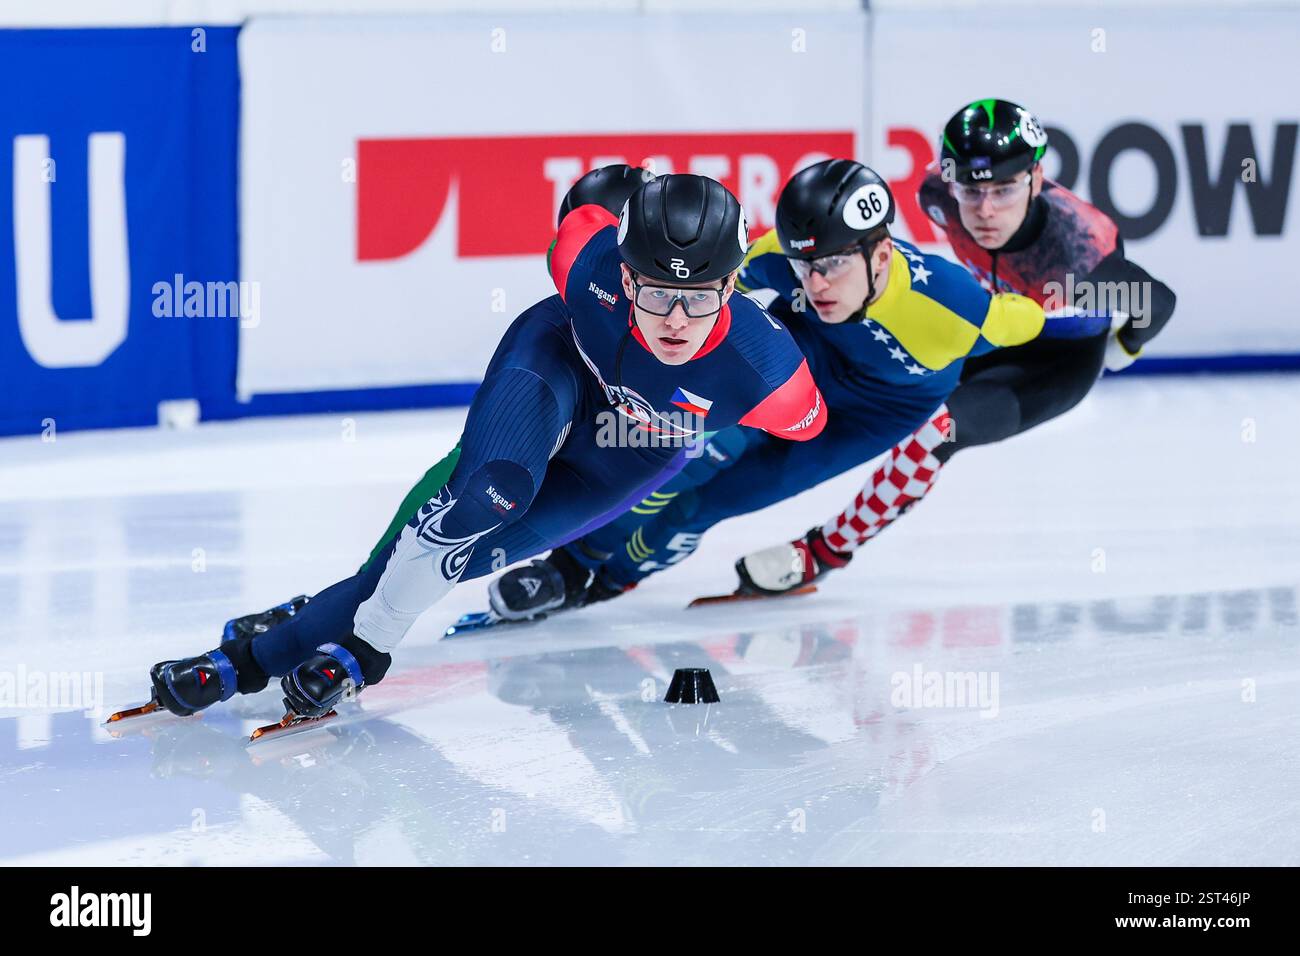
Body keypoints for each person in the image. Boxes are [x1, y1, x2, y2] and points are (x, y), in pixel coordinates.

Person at [122, 171, 825, 725]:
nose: (675, 321)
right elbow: (588, 213)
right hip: (554, 367)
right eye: (653, 292)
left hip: (630, 453)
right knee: (486, 494)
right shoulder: (585, 255)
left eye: (700, 297)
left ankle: (273, 646)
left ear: (734, 285)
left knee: (447, 563)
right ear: (624, 273)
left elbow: (806, 436)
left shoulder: (775, 381)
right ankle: (339, 653)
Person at [488, 158, 1055, 618]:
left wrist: (1092, 307)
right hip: (802, 360)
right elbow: (699, 282)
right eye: (805, 266)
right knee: (694, 458)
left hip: (874, 414)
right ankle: (569, 565)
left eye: (833, 266)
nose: (817, 281)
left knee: (707, 506)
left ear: (881, 255)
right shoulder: (780, 259)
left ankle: (614, 577)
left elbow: (1033, 319)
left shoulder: (953, 308)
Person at [735, 99, 1178, 594]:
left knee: (936, 434)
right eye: (971, 190)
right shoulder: (935, 195)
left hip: (1057, 361)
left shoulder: (1081, 257)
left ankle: (822, 552)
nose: (985, 210)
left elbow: (1159, 303)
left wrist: (1123, 349)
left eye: (1005, 190)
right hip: (990, 331)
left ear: (1036, 177)